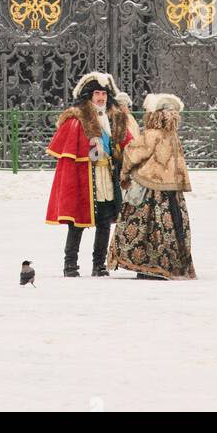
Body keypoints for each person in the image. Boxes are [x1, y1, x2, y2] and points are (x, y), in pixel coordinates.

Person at [46, 72, 130, 278]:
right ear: (89, 95)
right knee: (77, 223)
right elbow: (69, 153)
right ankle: (70, 265)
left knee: (104, 221)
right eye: (96, 93)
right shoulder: (77, 118)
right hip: (84, 178)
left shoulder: (115, 117)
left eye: (103, 93)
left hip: (107, 176)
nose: (100, 97)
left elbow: (127, 144)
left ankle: (99, 265)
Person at [110, 93, 196, 281]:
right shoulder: (173, 136)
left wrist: (125, 174)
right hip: (172, 192)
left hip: (148, 188)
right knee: (171, 226)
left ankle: (146, 263)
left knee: (145, 225)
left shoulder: (151, 135)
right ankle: (169, 262)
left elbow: (133, 154)